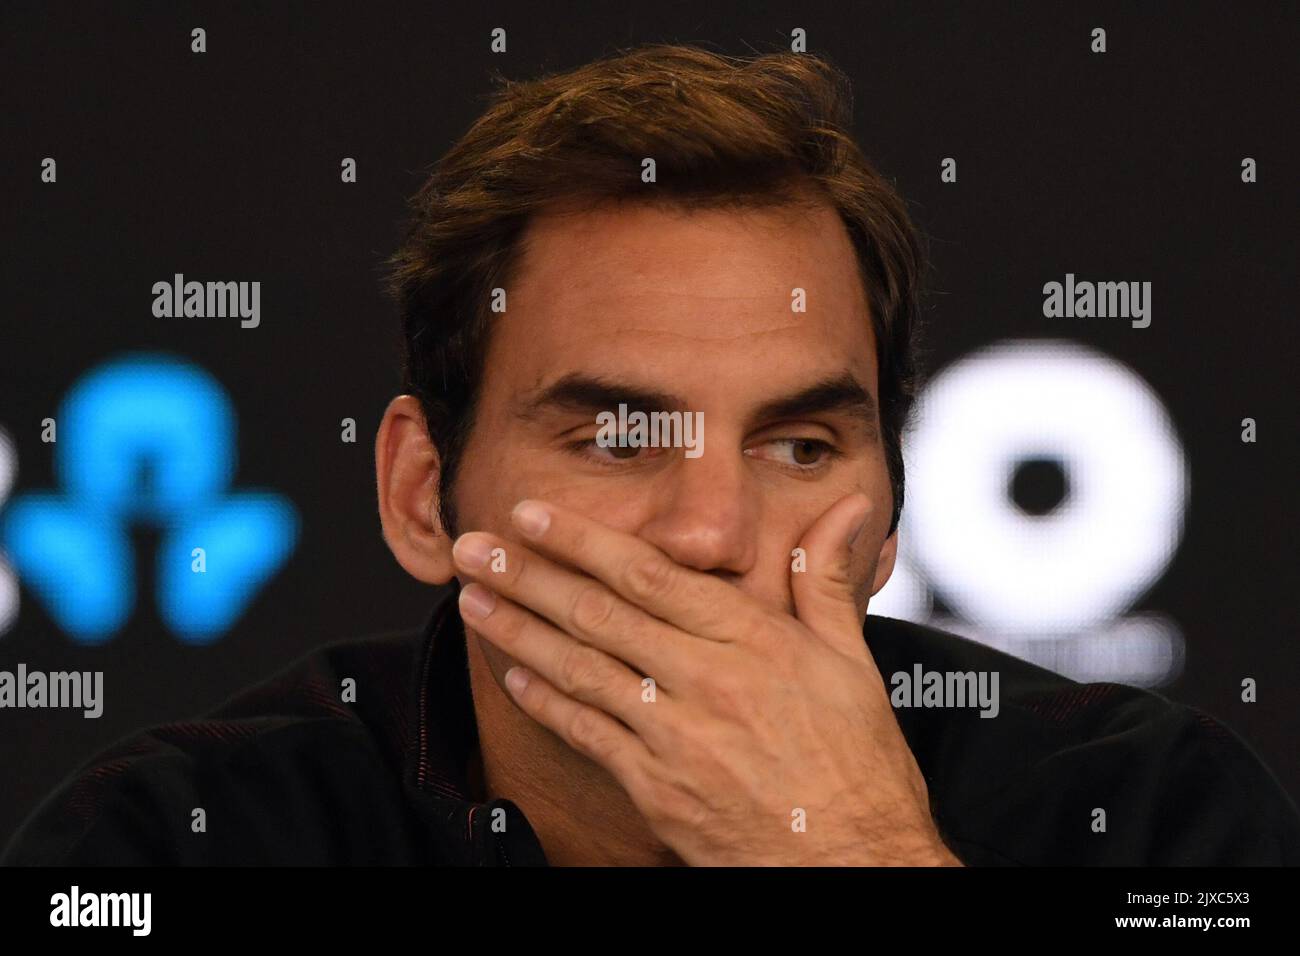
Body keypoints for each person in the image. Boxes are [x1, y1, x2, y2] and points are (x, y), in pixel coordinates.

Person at [5, 44, 1297, 867]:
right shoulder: (177, 846)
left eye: (799, 443)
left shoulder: (1146, 818)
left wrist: (842, 852)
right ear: (419, 492)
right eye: (620, 437)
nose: (710, 531)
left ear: (893, 510)